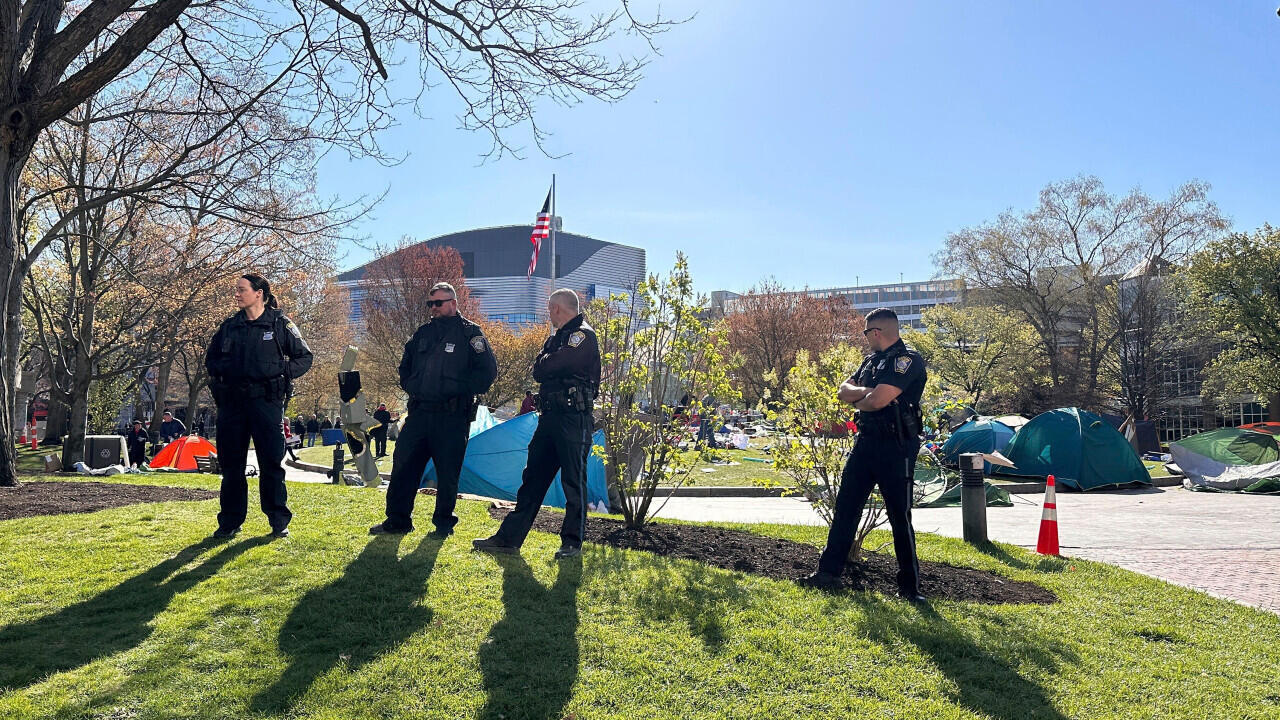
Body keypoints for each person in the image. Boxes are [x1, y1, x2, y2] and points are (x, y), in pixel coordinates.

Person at [800, 308, 927, 602]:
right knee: (846, 508)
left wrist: (868, 397)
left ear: (876, 332)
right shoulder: (870, 361)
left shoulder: (907, 361)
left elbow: (879, 401)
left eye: (866, 332)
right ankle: (828, 574)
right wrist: (868, 395)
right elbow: (844, 391)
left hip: (896, 448)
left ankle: (910, 589)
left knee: (899, 517)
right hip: (865, 443)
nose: (866, 338)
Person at [474, 288, 600, 560]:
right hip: (550, 418)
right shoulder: (558, 338)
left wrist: (549, 362)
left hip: (573, 418)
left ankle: (572, 543)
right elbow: (539, 369)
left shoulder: (583, 336)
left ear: (557, 308)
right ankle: (508, 539)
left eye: (549, 309)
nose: (548, 314)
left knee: (573, 482)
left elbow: (555, 365)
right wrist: (549, 362)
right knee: (532, 480)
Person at [370, 282, 497, 537]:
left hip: (452, 416)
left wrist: (458, 389)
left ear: (453, 303)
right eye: (430, 304)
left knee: (448, 473)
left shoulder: (470, 333)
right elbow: (404, 368)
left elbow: (488, 372)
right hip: (420, 414)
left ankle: (443, 524)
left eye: (438, 303)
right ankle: (397, 520)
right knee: (403, 466)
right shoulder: (422, 333)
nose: (433, 308)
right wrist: (413, 386)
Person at [205, 273, 313, 539]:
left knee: (271, 464)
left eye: (242, 290)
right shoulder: (229, 327)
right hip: (232, 404)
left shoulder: (280, 324)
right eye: (237, 290)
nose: (237, 294)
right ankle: (230, 522)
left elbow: (304, 357)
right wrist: (223, 379)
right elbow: (211, 360)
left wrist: (281, 372)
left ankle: (278, 521)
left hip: (266, 402)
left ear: (259, 293)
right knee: (231, 465)